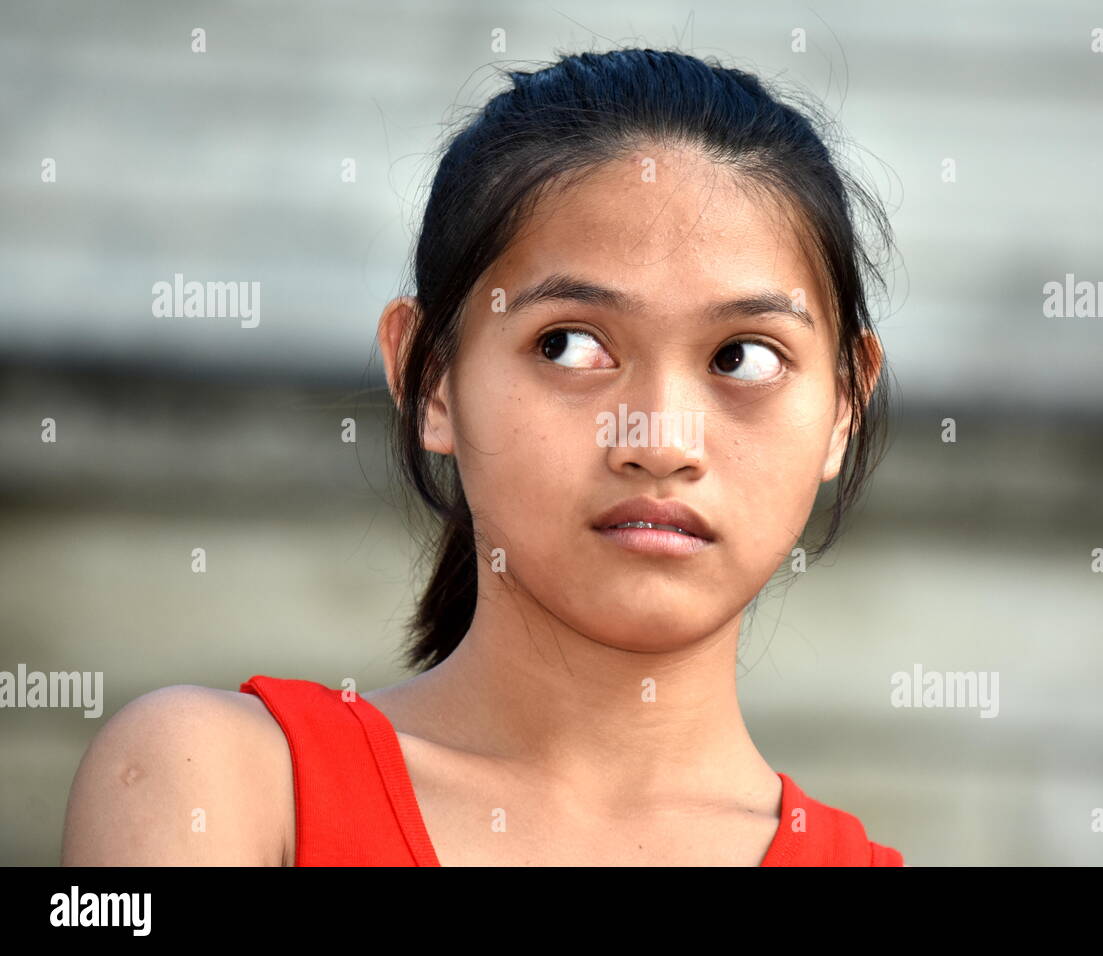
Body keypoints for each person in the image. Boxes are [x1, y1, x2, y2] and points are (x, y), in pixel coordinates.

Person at [61, 47, 901, 866]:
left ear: (842, 409)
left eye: (743, 358)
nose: (659, 444)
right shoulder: (215, 783)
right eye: (569, 345)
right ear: (431, 377)